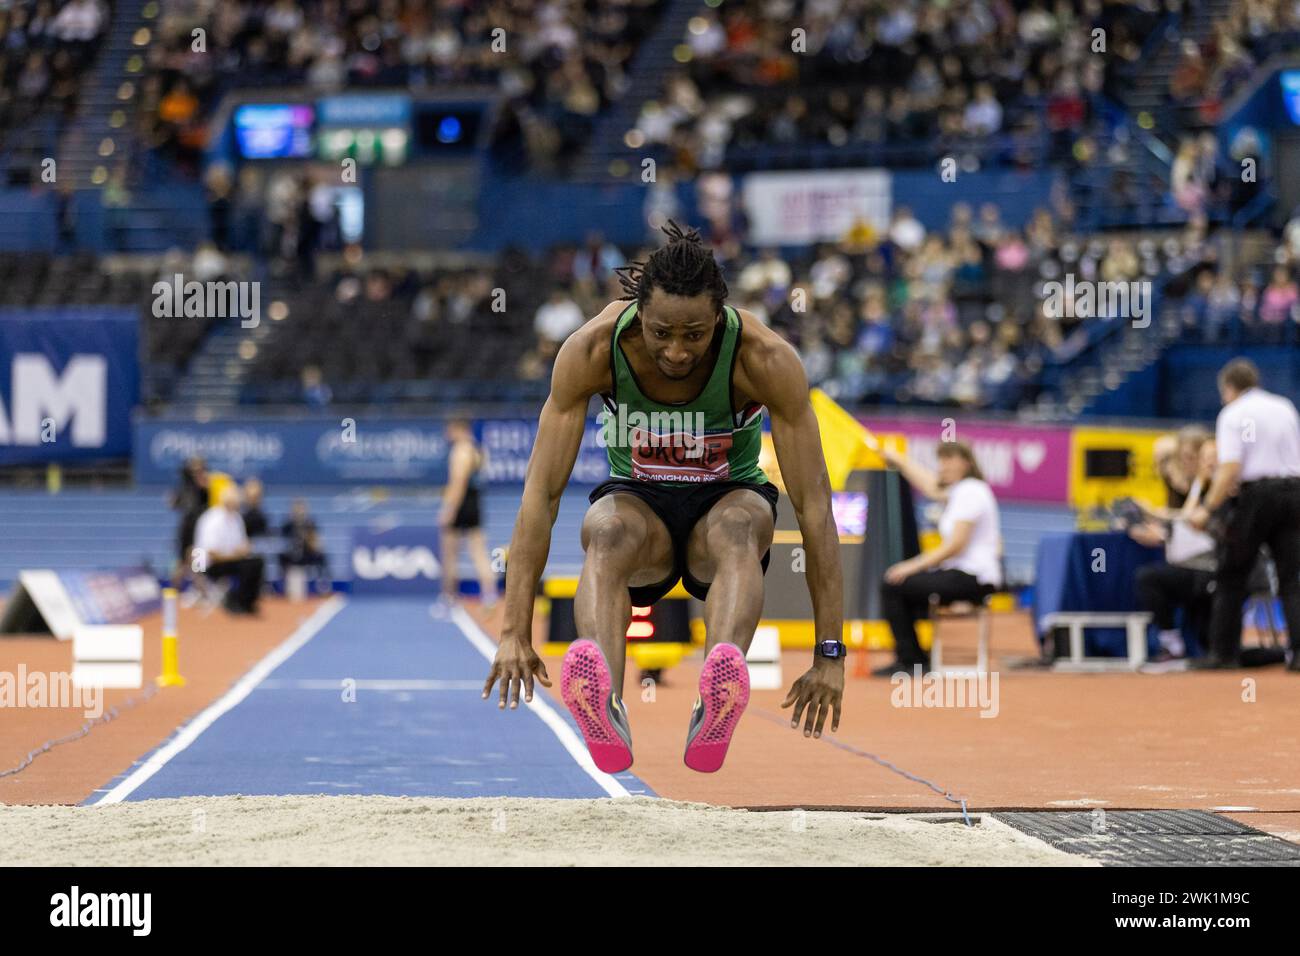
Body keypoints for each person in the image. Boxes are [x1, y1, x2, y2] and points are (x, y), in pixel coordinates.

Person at [481, 220, 847, 774]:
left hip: (726, 500)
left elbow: (816, 509)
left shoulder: (765, 359)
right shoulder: (593, 351)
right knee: (603, 529)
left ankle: (715, 695)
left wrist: (829, 654)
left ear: (721, 317)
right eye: (661, 334)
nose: (676, 352)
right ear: (639, 314)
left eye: (695, 336)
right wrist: (513, 630)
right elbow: (542, 495)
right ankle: (604, 697)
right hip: (638, 507)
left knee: (740, 527)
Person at [1190, 359, 1300, 670]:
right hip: (1293, 492)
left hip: (1257, 496)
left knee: (1231, 573)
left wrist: (1207, 509)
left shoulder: (1233, 414)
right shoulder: (1284, 406)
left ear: (1229, 388)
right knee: (1291, 578)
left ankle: (1223, 653)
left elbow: (1231, 468)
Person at [874, 440, 1003, 675]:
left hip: (972, 577)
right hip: (961, 574)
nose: (942, 466)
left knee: (893, 585)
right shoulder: (960, 491)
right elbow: (930, 486)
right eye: (940, 461)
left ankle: (911, 661)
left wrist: (910, 567)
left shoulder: (971, 491)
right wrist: (900, 460)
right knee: (901, 591)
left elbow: (955, 545)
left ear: (965, 463)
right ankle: (915, 658)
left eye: (948, 460)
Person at [1132, 438, 1218, 659]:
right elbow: (1184, 522)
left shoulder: (1217, 490)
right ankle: (1168, 641)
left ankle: (1171, 642)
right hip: (1189, 565)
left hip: (1211, 570)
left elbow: (1192, 521)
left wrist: (1157, 518)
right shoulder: (1194, 487)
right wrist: (1163, 533)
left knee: (1148, 578)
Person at [439, 418, 498, 607]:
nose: (447, 435)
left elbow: (458, 482)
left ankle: (448, 595)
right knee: (478, 550)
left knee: (450, 552)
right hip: (475, 501)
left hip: (462, 503)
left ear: (458, 428)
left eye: (449, 430)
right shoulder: (478, 450)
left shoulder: (460, 450)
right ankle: (489, 593)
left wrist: (449, 509)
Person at [194, 485, 265, 615]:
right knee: (246, 567)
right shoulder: (212, 519)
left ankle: (247, 603)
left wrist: (244, 550)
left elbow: (243, 544)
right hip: (210, 564)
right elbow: (211, 553)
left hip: (231, 560)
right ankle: (235, 602)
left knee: (257, 562)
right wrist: (236, 555)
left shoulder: (236, 518)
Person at [169, 456, 208, 587]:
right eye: (194, 467)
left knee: (198, 564)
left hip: (200, 528)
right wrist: (174, 501)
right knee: (182, 561)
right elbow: (174, 504)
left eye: (200, 468)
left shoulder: (207, 484)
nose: (198, 471)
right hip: (187, 527)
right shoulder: (185, 484)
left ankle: (201, 592)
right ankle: (172, 589)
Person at [280, 498, 328, 584]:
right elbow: (282, 541)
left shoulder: (310, 524)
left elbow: (316, 541)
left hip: (307, 553)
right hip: (291, 554)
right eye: (296, 509)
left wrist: (308, 540)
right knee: (280, 556)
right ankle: (282, 581)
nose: (299, 511)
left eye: (301, 509)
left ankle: (322, 582)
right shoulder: (287, 525)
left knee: (321, 555)